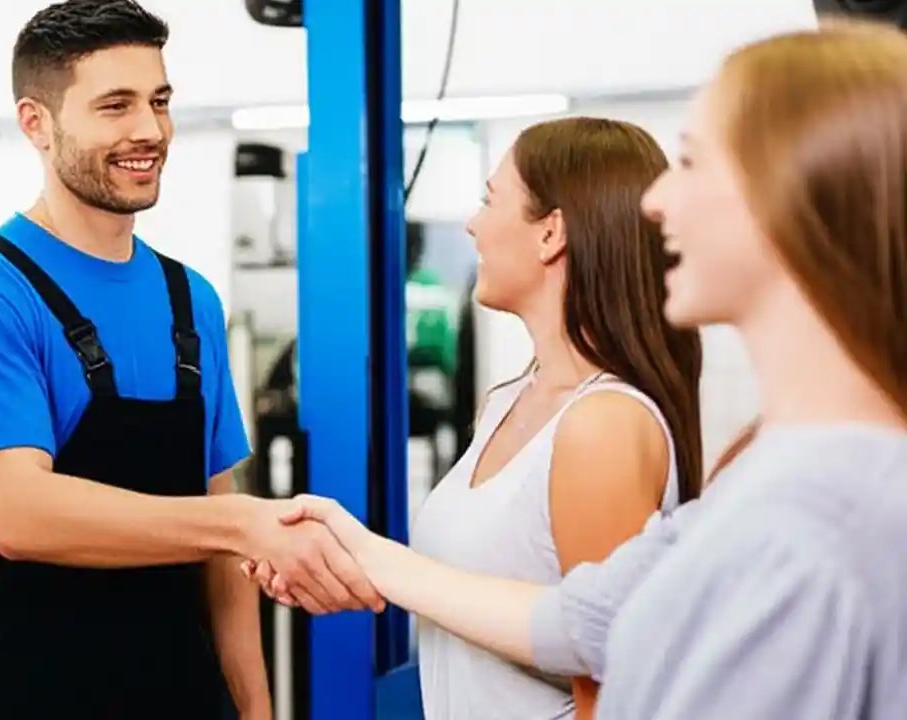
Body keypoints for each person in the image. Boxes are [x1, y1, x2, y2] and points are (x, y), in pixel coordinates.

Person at [251, 18, 907, 720]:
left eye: (693, 163)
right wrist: (353, 547)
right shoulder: (756, 472)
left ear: (793, 197)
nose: (657, 202)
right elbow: (579, 624)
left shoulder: (834, 513)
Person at [0, 3, 381, 718]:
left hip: (176, 690)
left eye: (159, 102)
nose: (149, 131)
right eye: (115, 106)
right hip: (20, 694)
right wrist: (241, 525)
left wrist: (254, 708)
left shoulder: (189, 300)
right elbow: (22, 514)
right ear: (36, 123)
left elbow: (223, 541)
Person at [280, 118, 704, 720]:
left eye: (489, 198)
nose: (472, 224)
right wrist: (345, 559)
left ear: (551, 233)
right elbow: (483, 587)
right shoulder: (508, 400)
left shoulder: (602, 425)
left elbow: (610, 690)